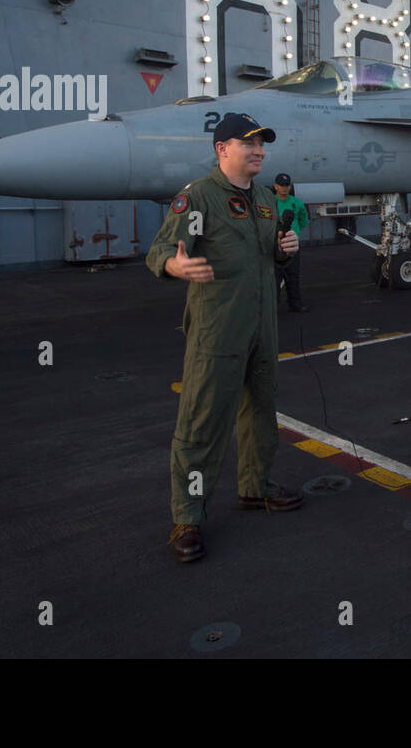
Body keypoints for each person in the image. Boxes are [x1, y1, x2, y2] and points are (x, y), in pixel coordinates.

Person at [147, 112, 303, 563]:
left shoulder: (266, 201)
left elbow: (266, 253)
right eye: (248, 143)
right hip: (218, 328)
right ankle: (188, 517)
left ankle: (255, 488)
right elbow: (160, 251)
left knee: (260, 410)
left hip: (262, 325)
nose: (259, 151)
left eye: (262, 144)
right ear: (222, 149)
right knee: (202, 421)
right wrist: (175, 266)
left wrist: (283, 250)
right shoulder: (198, 199)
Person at [271, 172, 310, 312]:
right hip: (275, 247)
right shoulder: (270, 202)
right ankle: (273, 308)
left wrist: (296, 232)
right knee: (274, 279)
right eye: (281, 185)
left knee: (293, 277)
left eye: (287, 185)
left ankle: (296, 305)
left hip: (292, 247)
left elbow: (303, 220)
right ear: (276, 186)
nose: (284, 188)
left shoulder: (297, 203)